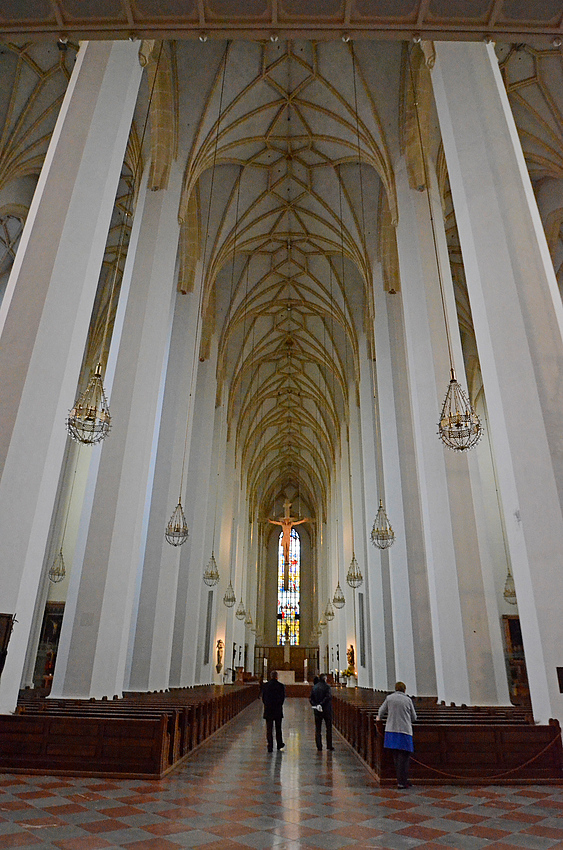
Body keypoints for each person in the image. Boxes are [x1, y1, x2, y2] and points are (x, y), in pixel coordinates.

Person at [377, 681, 417, 789]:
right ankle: (402, 781)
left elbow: (381, 712)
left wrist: (379, 719)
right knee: (404, 757)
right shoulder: (407, 700)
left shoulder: (389, 698)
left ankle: (401, 780)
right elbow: (414, 717)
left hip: (391, 730)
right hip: (404, 731)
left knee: (396, 756)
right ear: (404, 689)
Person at [261, 670, 286, 752]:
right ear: (277, 677)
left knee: (269, 729)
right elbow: (282, 698)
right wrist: (278, 705)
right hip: (277, 709)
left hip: (268, 710)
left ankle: (270, 745)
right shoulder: (281, 686)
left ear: (270, 676)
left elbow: (263, 698)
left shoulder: (266, 686)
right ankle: (279, 744)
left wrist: (267, 705)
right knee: (278, 728)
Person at [309, 673, 333, 751]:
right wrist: (321, 704)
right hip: (326, 710)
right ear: (325, 679)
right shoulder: (327, 687)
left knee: (318, 728)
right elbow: (328, 697)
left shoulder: (315, 687)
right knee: (328, 728)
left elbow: (311, 699)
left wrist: (316, 705)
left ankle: (319, 746)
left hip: (317, 710)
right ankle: (329, 745)